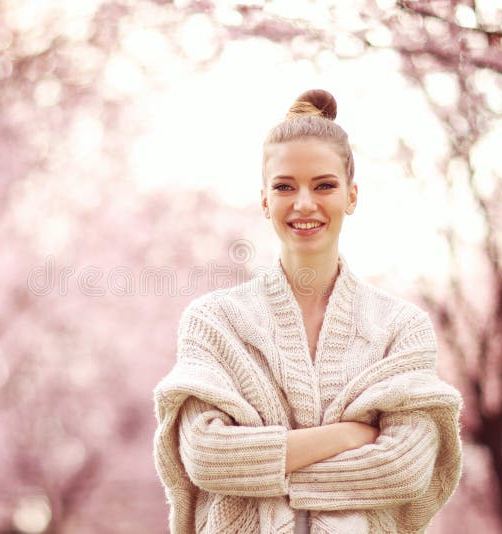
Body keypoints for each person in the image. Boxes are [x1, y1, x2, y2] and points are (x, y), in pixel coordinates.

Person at [152, 89, 464, 533]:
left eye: (324, 185)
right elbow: (206, 456)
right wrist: (350, 436)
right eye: (284, 187)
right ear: (265, 200)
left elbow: (403, 467)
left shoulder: (402, 328)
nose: (303, 203)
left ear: (351, 196)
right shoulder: (213, 322)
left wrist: (258, 468)